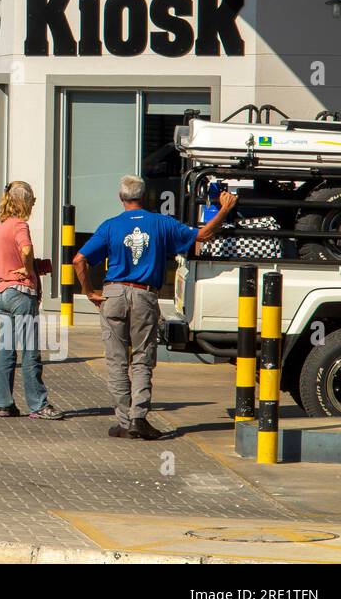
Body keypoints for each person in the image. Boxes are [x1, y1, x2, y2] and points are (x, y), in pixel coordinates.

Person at [73, 174, 237, 441]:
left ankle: (124, 421)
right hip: (143, 295)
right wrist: (225, 209)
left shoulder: (110, 226)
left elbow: (79, 260)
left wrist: (88, 291)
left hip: (112, 293)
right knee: (141, 358)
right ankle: (138, 418)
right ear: (145, 196)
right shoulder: (161, 223)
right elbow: (203, 235)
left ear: (120, 198)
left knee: (115, 360)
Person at [0, 181, 64, 420]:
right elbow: (27, 248)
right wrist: (26, 267)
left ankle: (4, 403)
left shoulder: (1, 227)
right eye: (31, 199)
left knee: (6, 351)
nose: (34, 203)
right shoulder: (20, 225)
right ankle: (38, 404)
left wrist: (16, 267)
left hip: (2, 293)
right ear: (23, 202)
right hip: (21, 294)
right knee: (31, 351)